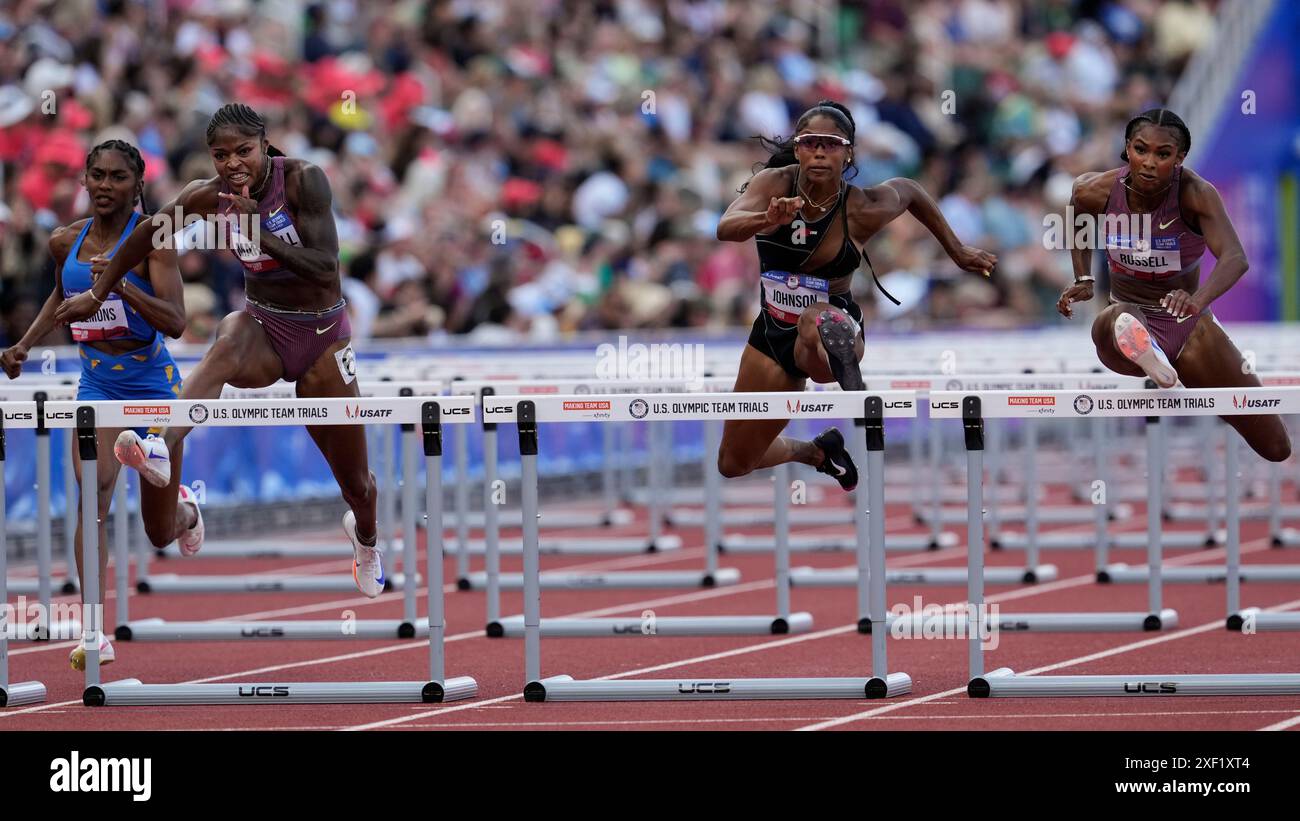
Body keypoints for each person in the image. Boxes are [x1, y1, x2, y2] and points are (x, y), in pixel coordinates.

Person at [54, 104, 385, 596]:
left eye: (243, 152)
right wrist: (98, 292)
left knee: (356, 483)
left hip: (322, 336)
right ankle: (159, 447)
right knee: (225, 340)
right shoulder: (206, 197)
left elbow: (324, 267)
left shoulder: (303, 181)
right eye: (220, 154)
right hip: (264, 329)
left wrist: (261, 235)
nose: (233, 164)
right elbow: (145, 234)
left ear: (265, 145)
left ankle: (366, 538)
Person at [715, 100, 997, 488]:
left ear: (848, 153)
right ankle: (817, 451)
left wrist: (958, 250)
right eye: (810, 142)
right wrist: (767, 218)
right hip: (772, 332)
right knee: (734, 462)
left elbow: (910, 191)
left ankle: (851, 381)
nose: (818, 150)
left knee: (817, 319)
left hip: (830, 331)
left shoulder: (862, 207)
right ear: (797, 148)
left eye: (830, 144)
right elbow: (726, 225)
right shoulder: (775, 184)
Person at [1, 140, 199, 670]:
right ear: (84, 181)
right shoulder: (65, 240)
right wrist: (25, 345)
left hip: (153, 387)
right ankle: (94, 631)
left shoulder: (154, 242)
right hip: (97, 387)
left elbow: (177, 322)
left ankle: (186, 510)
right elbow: (60, 296)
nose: (105, 185)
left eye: (117, 177)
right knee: (94, 498)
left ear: (138, 185)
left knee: (159, 532)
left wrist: (116, 284)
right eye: (96, 175)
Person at [1056, 108, 1291, 462]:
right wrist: (1084, 278)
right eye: (1140, 149)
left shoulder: (1196, 194)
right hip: (1127, 316)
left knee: (1275, 447)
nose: (1149, 162)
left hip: (1186, 323)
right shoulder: (1093, 190)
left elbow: (1234, 257)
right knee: (1114, 319)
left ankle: (1159, 358)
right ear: (1127, 149)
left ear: (1179, 159)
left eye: (1163, 154)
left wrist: (1197, 301)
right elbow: (1079, 222)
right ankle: (1146, 350)